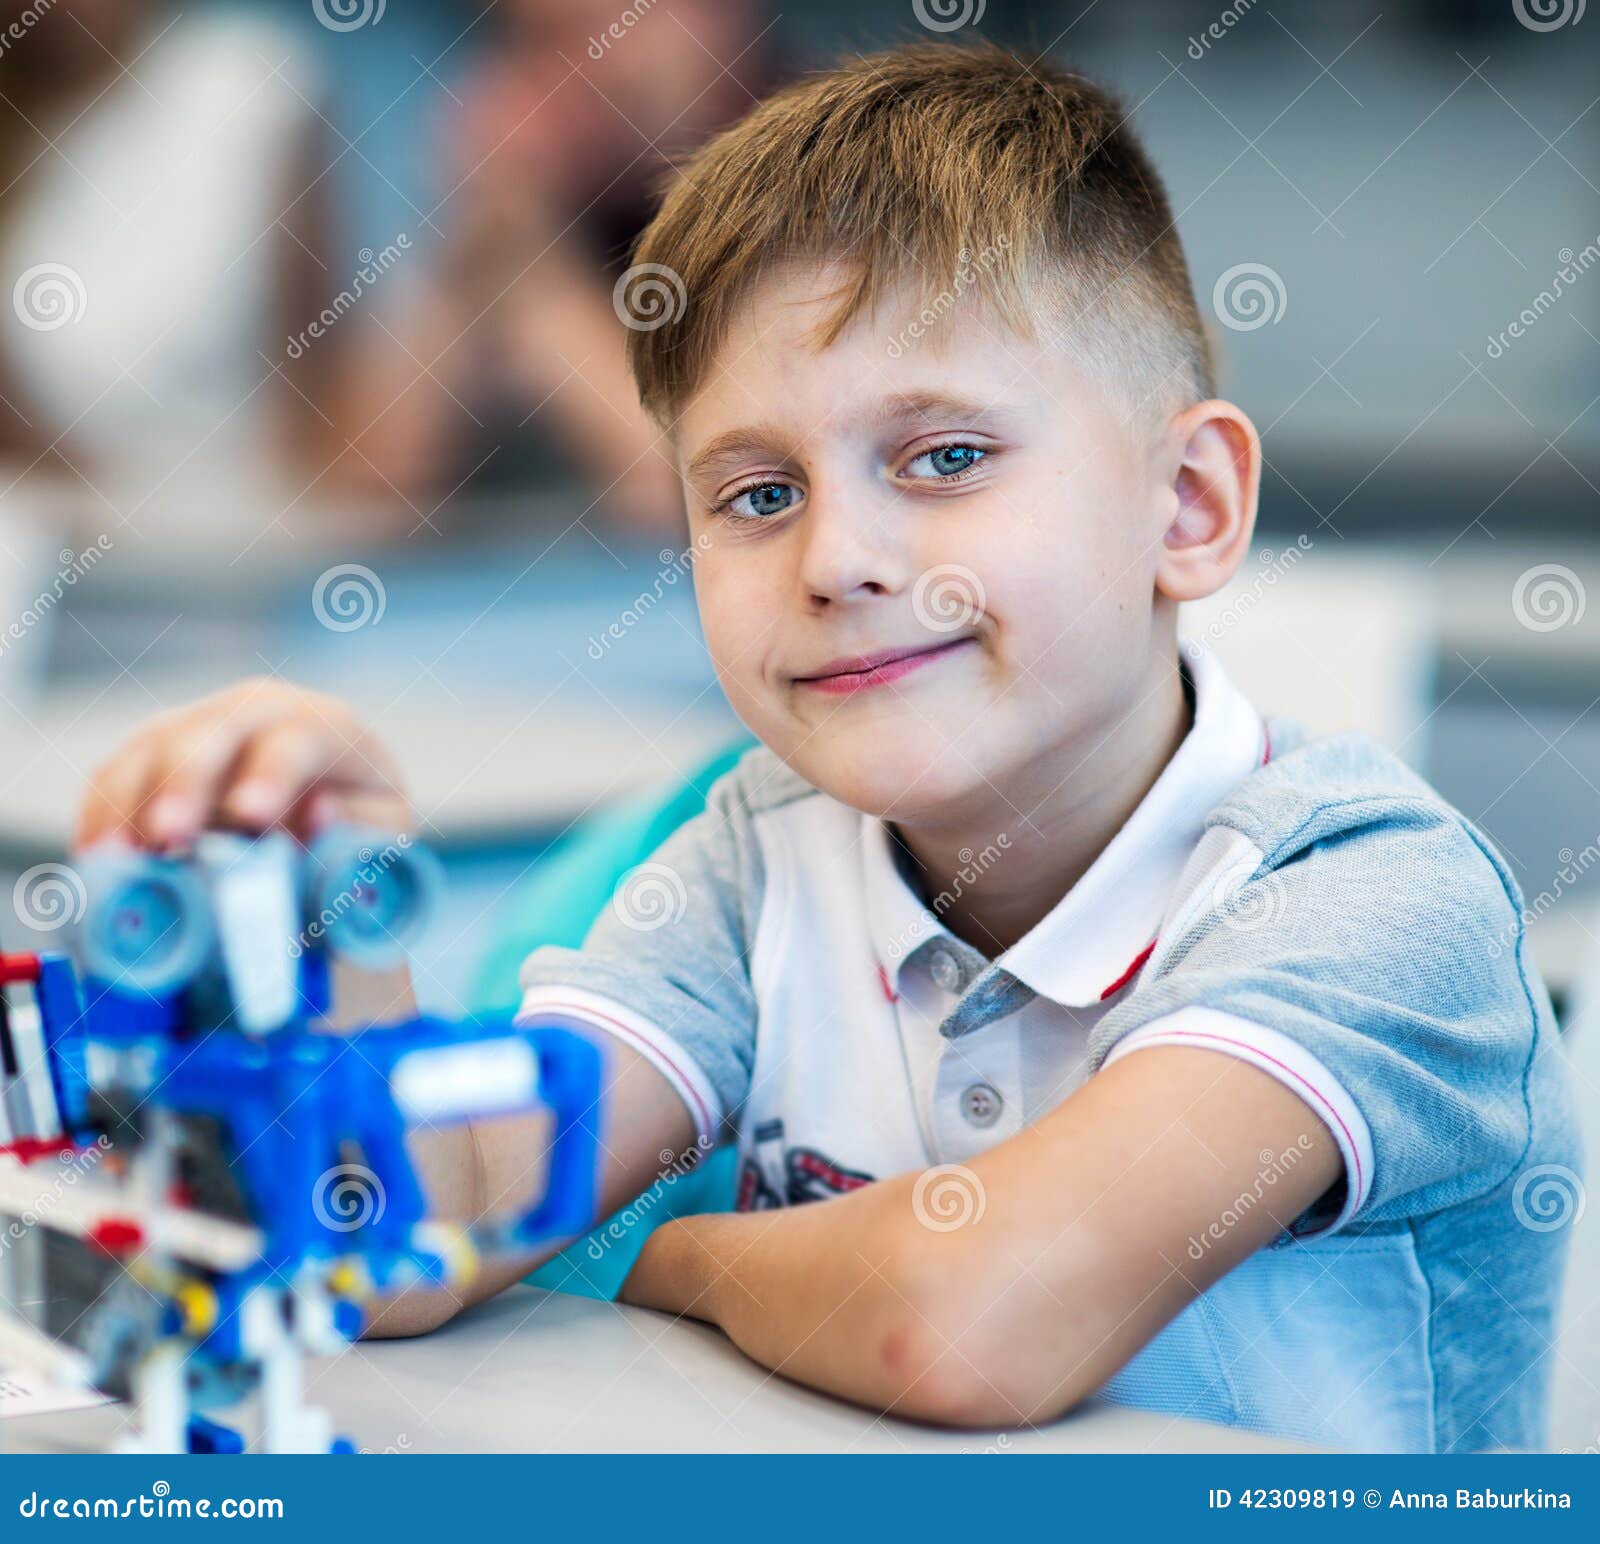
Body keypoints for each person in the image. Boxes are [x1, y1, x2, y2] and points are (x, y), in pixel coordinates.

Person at [73, 43, 1580, 1452]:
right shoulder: (759, 852)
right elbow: (410, 1235)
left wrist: (667, 1258)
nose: (837, 559)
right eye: (756, 494)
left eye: (945, 457)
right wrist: (336, 906)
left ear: (1186, 506)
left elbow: (970, 1318)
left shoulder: (1377, 899)